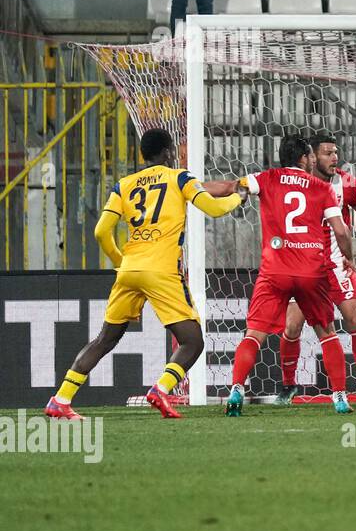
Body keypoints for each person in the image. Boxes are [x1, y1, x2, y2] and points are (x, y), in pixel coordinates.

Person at [46, 129, 244, 421]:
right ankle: (161, 390)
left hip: (129, 269)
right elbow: (212, 209)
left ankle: (60, 400)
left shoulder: (123, 185)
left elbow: (101, 231)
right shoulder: (179, 177)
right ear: (167, 152)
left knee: (104, 339)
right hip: (161, 270)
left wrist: (120, 261)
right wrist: (237, 199)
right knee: (193, 341)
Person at [223, 136, 356, 416]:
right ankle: (340, 397)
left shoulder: (266, 178)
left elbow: (229, 187)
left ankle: (237, 387)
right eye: (310, 157)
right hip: (311, 271)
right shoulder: (321, 187)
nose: (312, 161)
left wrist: (195, 189)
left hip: (275, 270)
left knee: (254, 335)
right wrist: (348, 257)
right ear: (304, 159)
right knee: (327, 334)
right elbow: (342, 232)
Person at [276, 132, 356, 406]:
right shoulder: (297, 185)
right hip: (304, 264)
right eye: (327, 153)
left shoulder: (347, 183)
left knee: (355, 319)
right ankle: (288, 387)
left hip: (338, 263)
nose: (334, 158)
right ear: (310, 157)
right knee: (291, 325)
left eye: (335, 152)